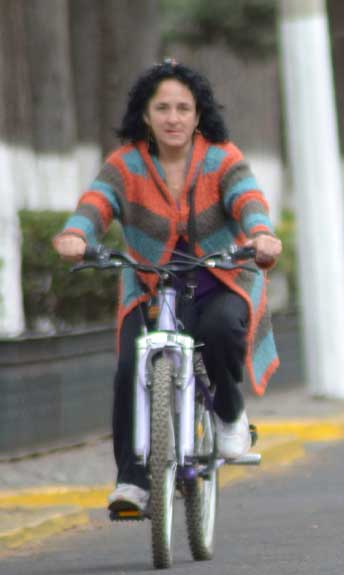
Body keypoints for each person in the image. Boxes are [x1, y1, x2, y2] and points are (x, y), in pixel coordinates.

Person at [52, 59, 282, 518]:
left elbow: (249, 201)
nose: (173, 118)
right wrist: (77, 234)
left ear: (198, 115)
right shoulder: (126, 164)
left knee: (220, 332)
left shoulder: (223, 159)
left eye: (183, 108)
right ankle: (132, 483)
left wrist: (261, 234)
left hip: (220, 277)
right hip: (150, 285)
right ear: (146, 114)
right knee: (128, 371)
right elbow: (95, 204)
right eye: (163, 108)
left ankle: (229, 413)